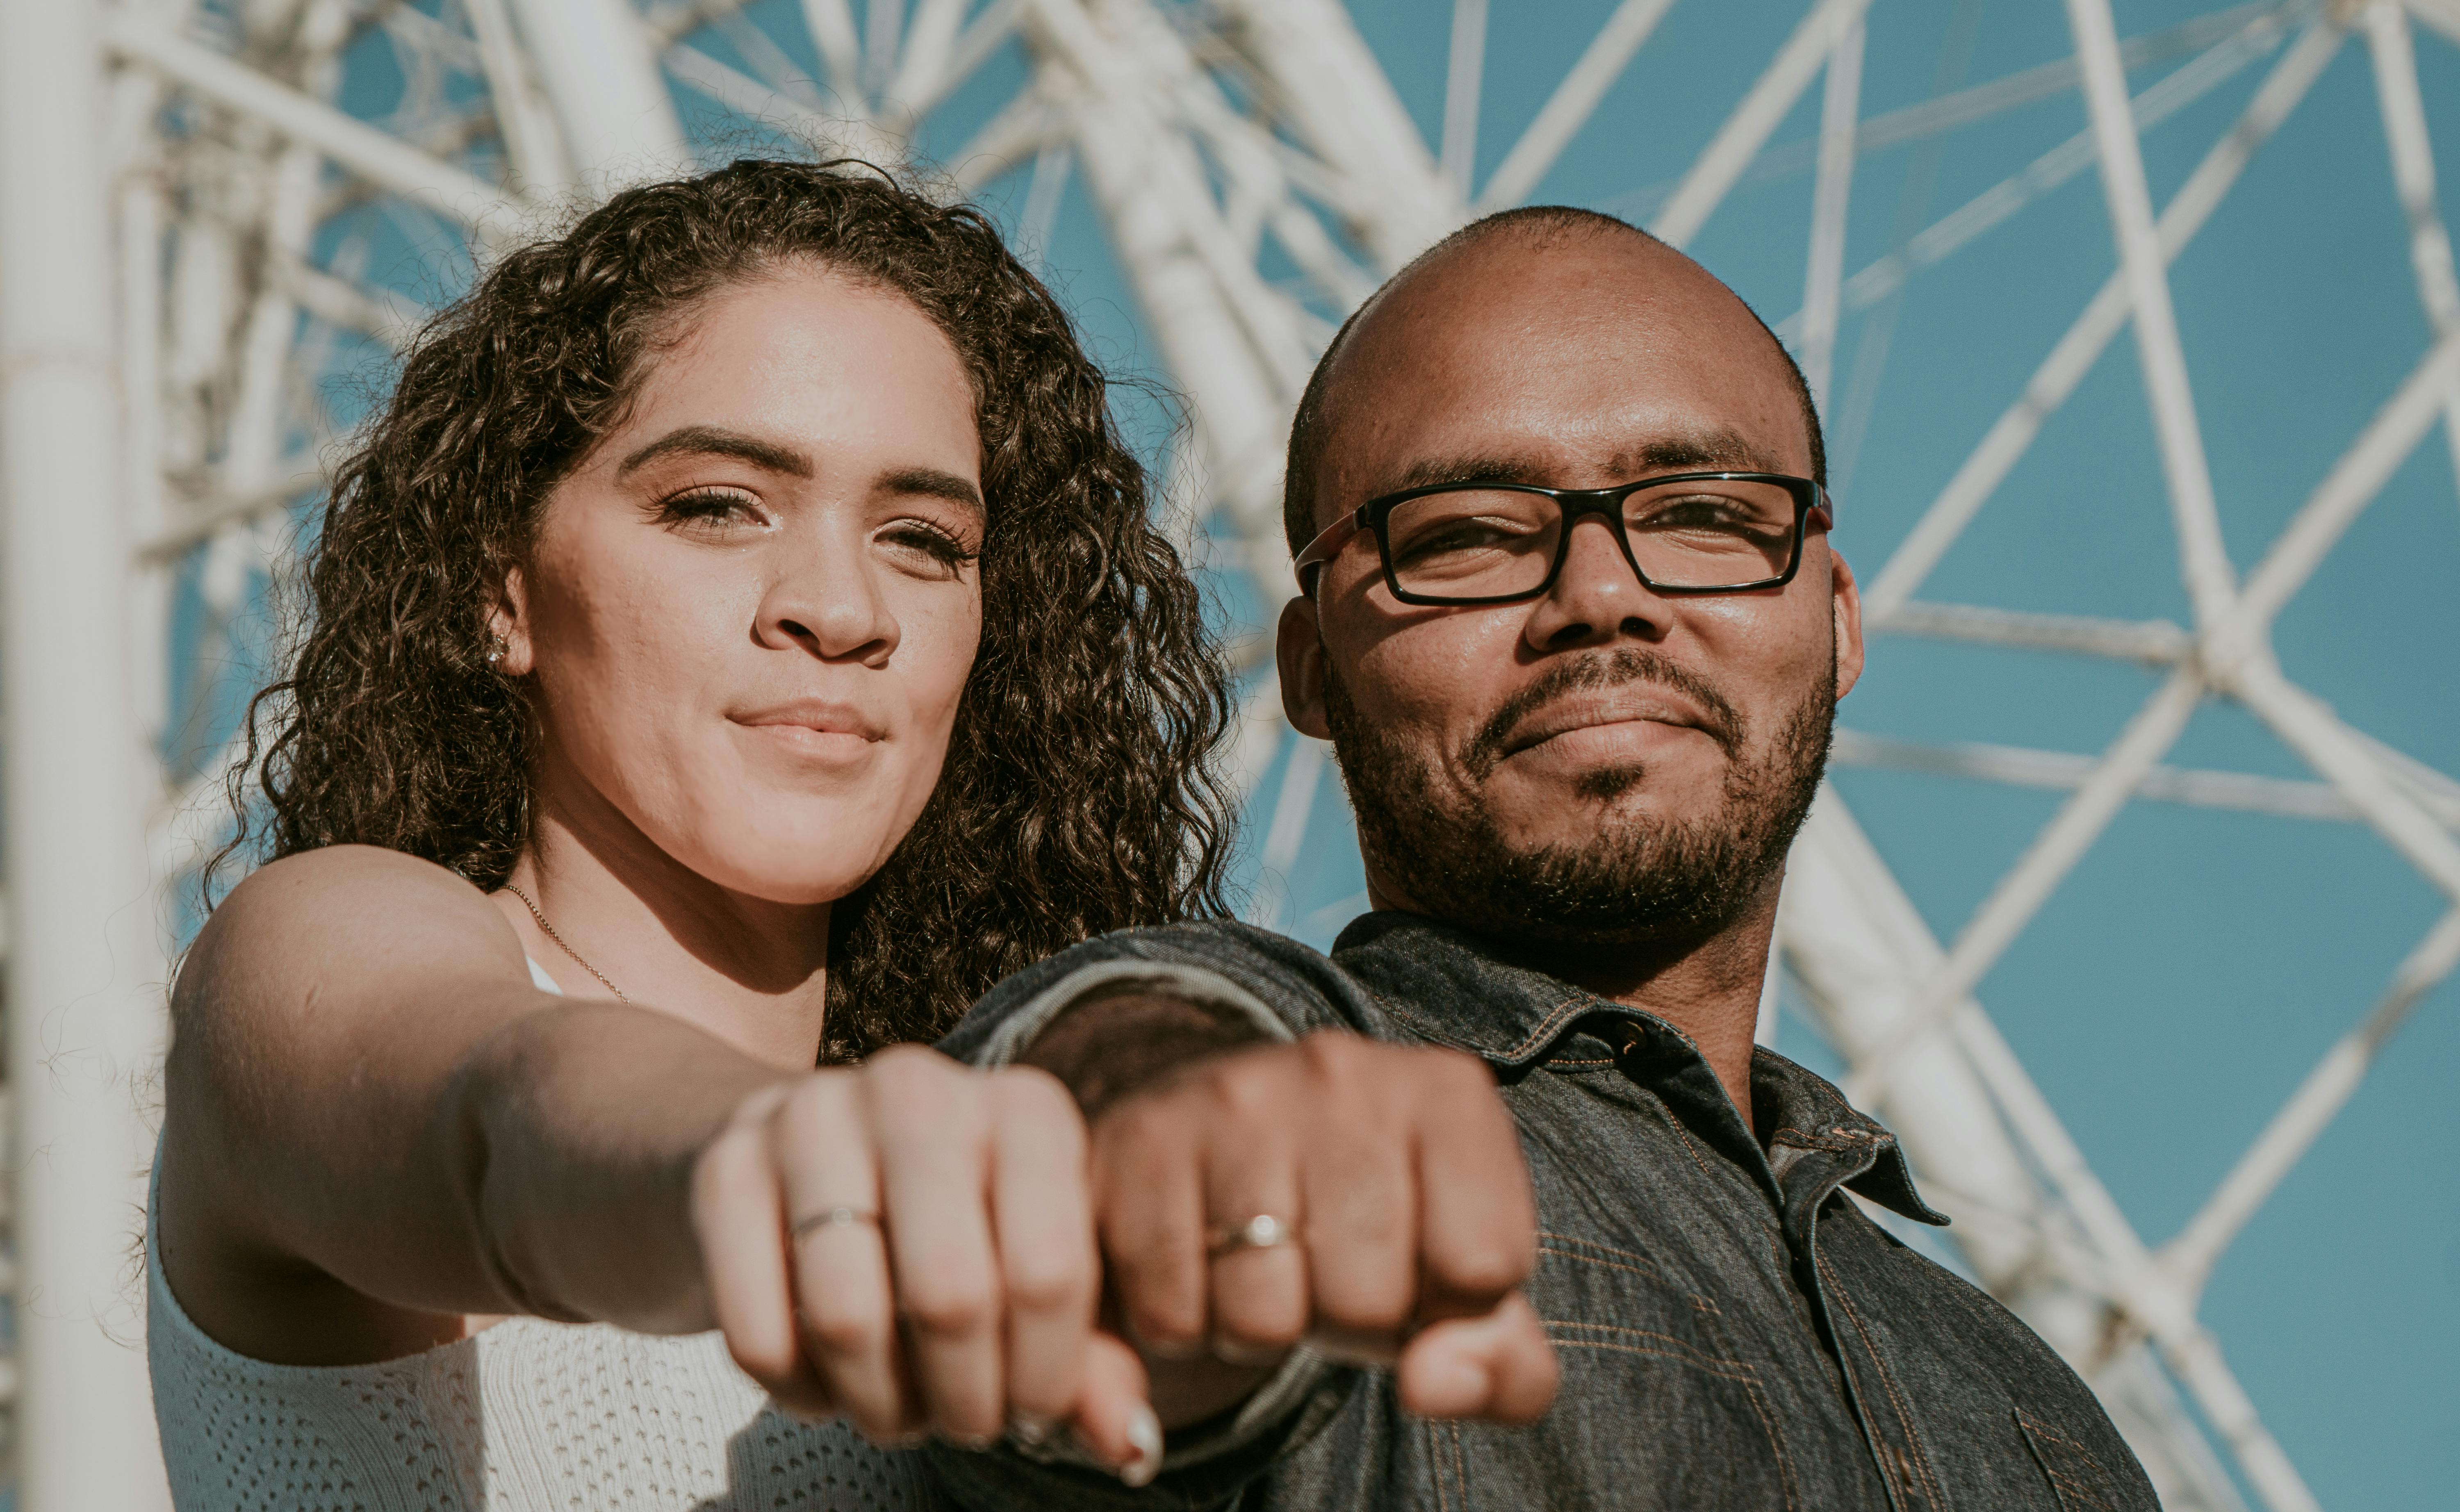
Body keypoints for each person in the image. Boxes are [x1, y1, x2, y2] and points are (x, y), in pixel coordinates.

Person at [926, 206, 2162, 1510]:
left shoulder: (2034, 1408)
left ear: (1837, 620)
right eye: (1463, 534)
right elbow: (1104, 1109)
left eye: (1701, 511)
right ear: (1310, 670)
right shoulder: (1302, 1107)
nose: (1599, 595)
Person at [150, 160, 1234, 1509]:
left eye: (922, 538)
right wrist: (800, 1175)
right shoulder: (320, 945)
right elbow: (500, 1126)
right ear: (506, 595)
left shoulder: (1000, 1157)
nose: (840, 609)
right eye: (717, 505)